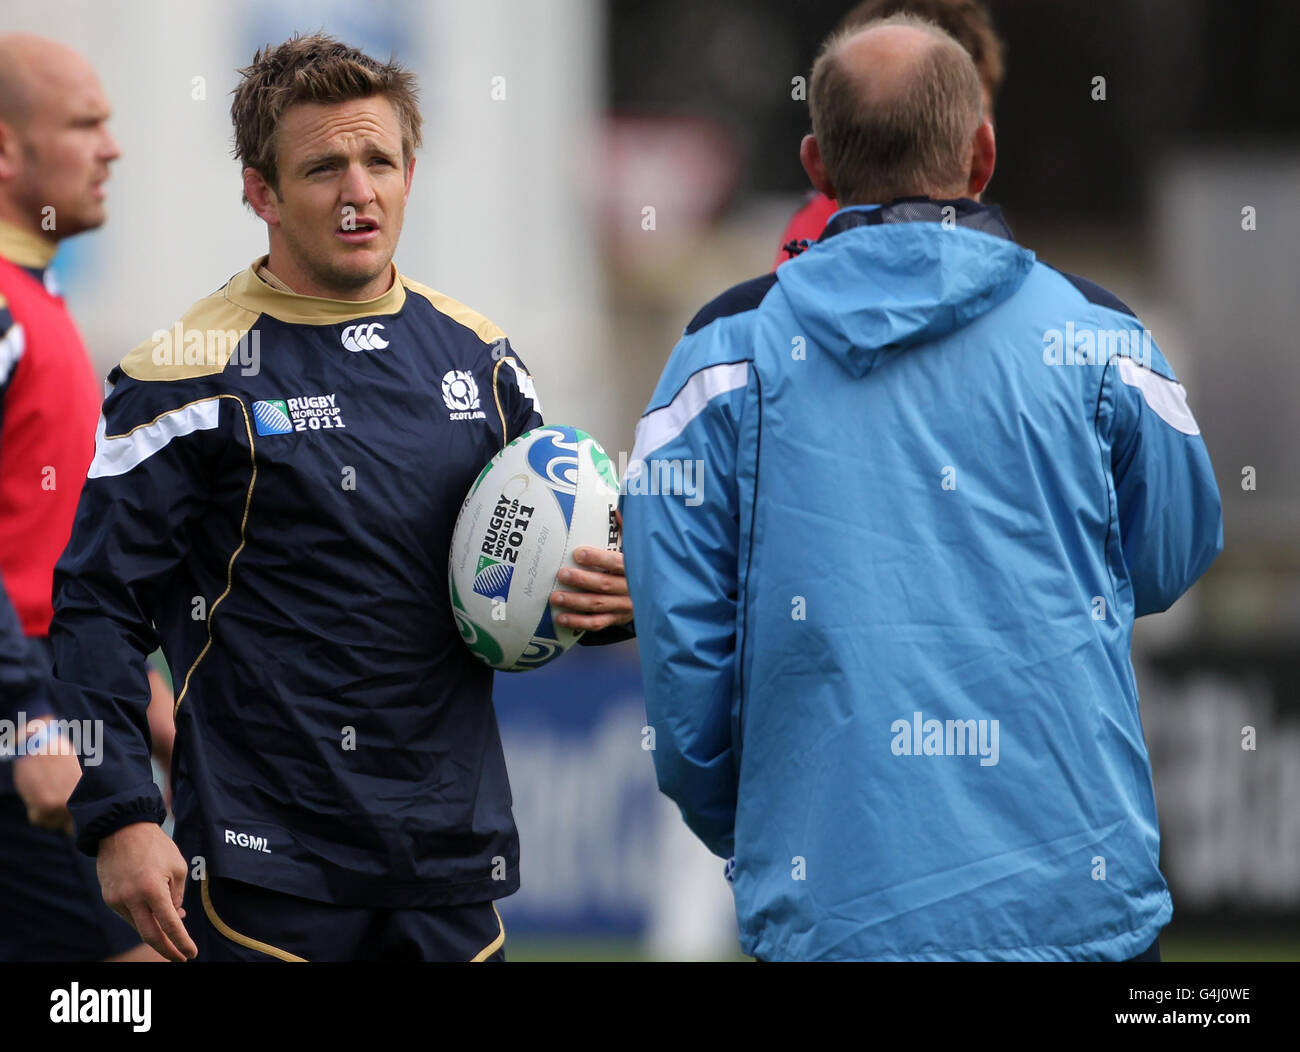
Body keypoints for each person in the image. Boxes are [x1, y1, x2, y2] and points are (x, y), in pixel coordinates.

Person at [622, 15, 1222, 961]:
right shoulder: (1106, 339)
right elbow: (1172, 558)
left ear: (817, 166)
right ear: (983, 155)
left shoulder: (717, 359)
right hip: (1077, 911)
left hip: (842, 915)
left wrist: (773, 837)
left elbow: (684, 671)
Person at [51, 33, 633, 963]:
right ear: (261, 192)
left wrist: (617, 601)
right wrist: (121, 814)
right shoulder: (183, 375)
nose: (358, 189)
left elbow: (541, 572)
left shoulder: (481, 359)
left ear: (410, 172)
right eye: (323, 166)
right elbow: (93, 608)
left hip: (451, 858)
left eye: (379, 160)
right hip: (269, 870)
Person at [0, 32, 171, 962]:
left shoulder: (36, 302)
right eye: (84, 123)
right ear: (5, 149)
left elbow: (38, 549)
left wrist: (141, 698)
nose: (112, 147)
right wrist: (26, 714)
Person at [774, 0, 1004, 269]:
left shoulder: (982, 245)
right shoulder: (817, 244)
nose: (968, 138)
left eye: (979, 110)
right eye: (934, 115)